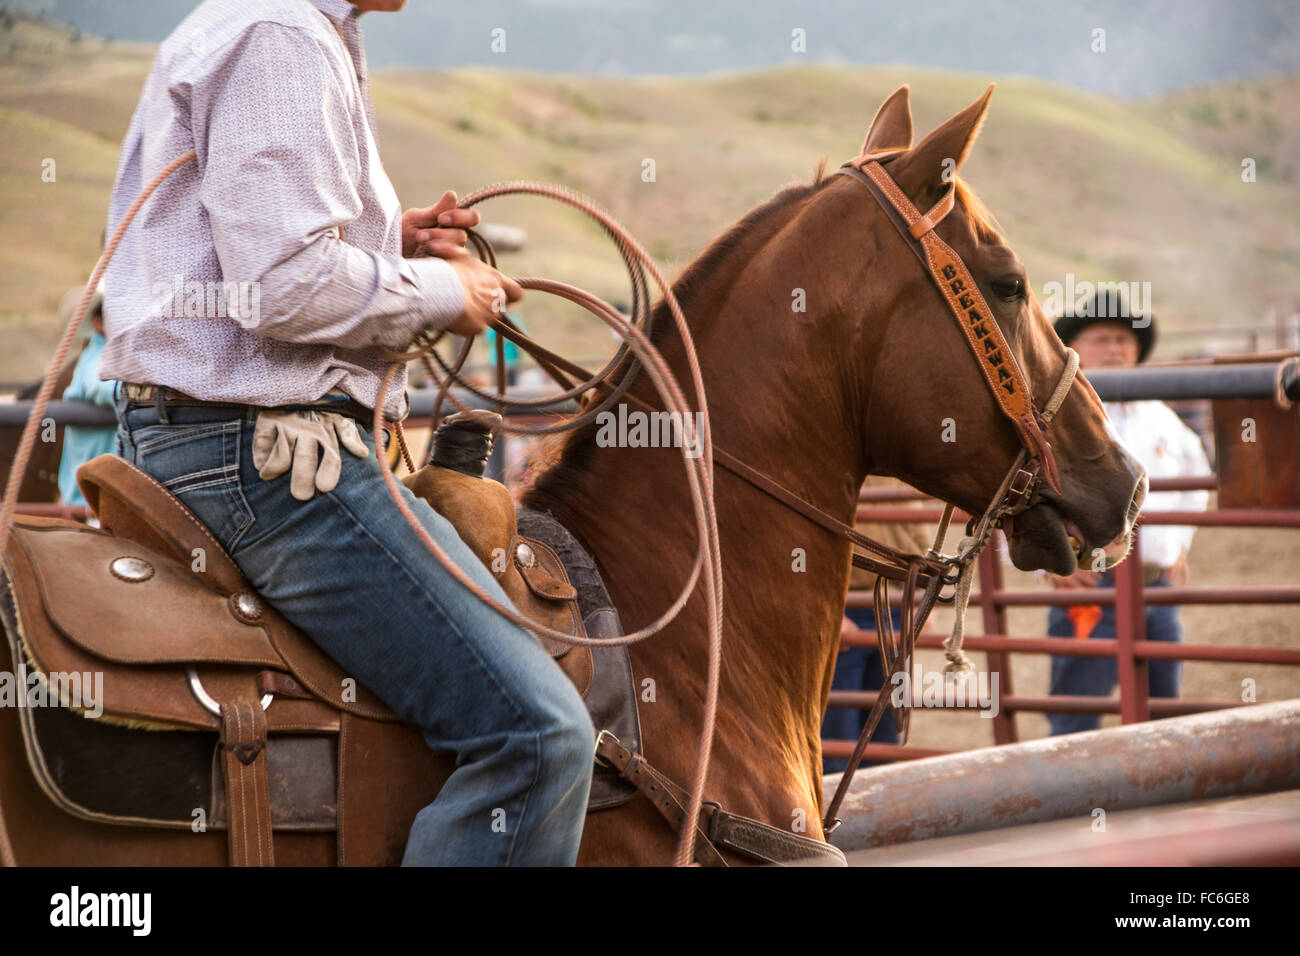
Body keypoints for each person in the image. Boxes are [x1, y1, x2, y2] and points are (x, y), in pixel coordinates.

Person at [100, 0, 594, 865]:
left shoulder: (261, 22)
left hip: (206, 443)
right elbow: (281, 290)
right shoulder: (280, 35)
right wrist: (448, 296)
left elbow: (248, 246)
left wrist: (387, 244)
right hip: (265, 465)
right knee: (540, 736)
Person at [1045, 291, 1210, 735]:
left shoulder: (1162, 417)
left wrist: (1178, 545)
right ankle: (1069, 800)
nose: (1116, 349)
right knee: (1077, 710)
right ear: (1073, 347)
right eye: (1102, 338)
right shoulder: (1056, 415)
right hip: (1094, 588)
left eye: (1124, 339)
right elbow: (1016, 486)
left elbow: (1198, 482)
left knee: (1162, 710)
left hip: (1156, 590)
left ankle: (1159, 802)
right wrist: (1050, 560)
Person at [821, 476, 932, 772]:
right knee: (838, 727)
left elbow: (918, 533)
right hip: (848, 604)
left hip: (893, 604)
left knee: (885, 722)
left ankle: (880, 801)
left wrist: (922, 600)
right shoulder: (837, 471)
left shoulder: (895, 472)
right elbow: (815, 541)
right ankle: (837, 809)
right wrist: (831, 610)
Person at [56, 280, 118, 515]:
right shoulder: (97, 358)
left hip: (97, 491)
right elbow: (103, 386)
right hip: (92, 497)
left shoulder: (101, 355)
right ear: (98, 322)